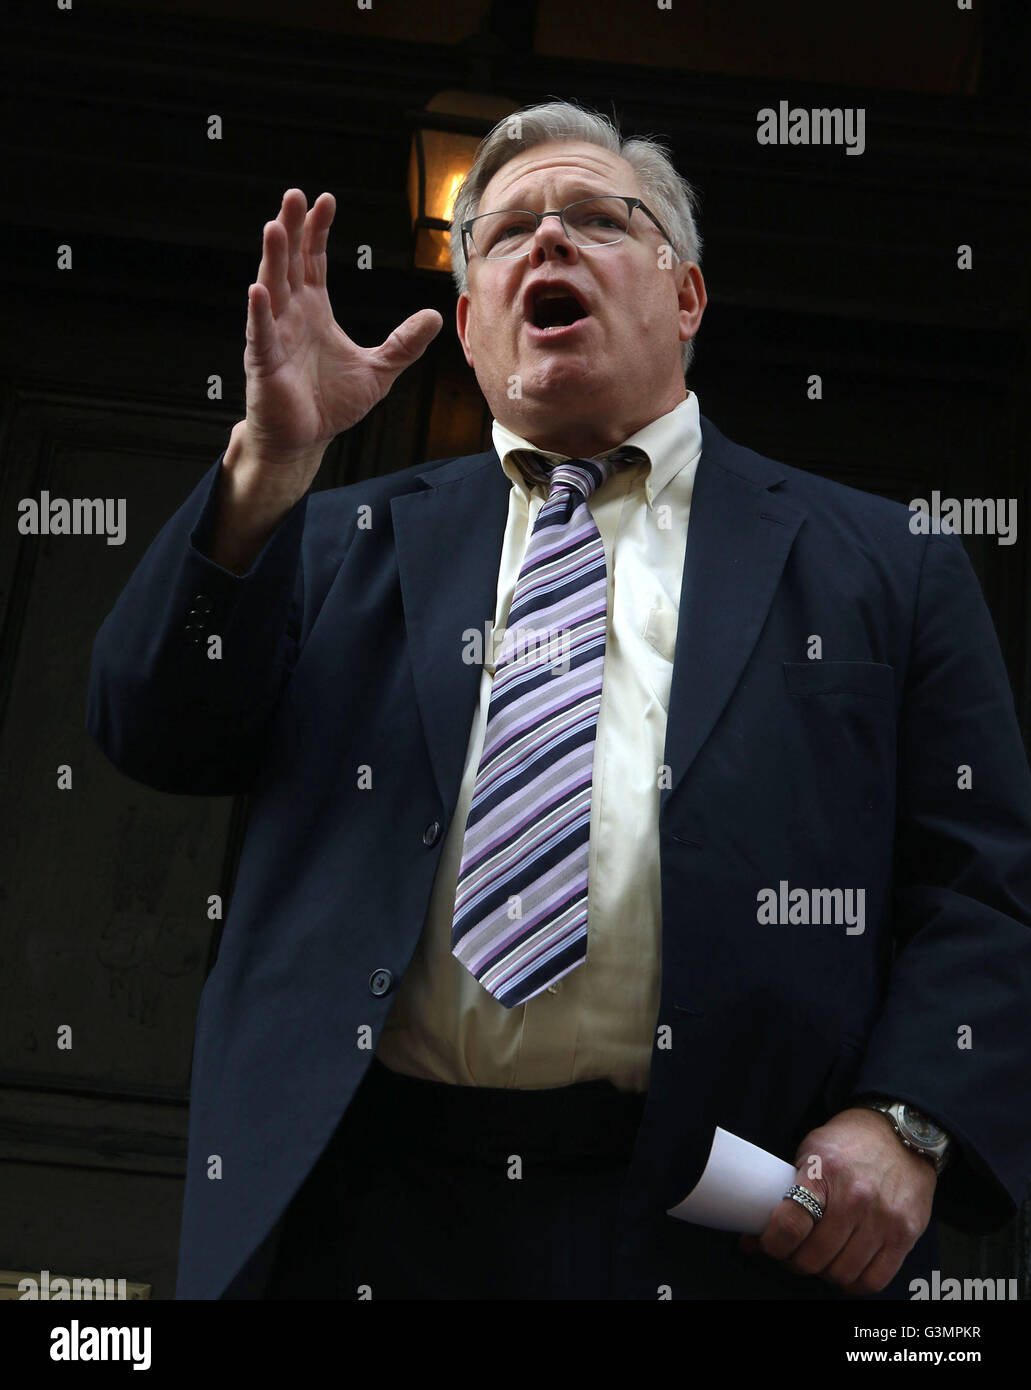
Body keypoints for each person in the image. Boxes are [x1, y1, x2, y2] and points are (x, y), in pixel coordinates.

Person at [86, 101, 1031, 1301]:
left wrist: (908, 1119)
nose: (546, 242)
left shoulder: (886, 564)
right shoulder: (329, 543)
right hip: (359, 1207)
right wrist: (266, 464)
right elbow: (149, 727)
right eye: (505, 233)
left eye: (595, 218)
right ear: (472, 321)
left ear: (683, 296)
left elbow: (982, 886)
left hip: (726, 1218)